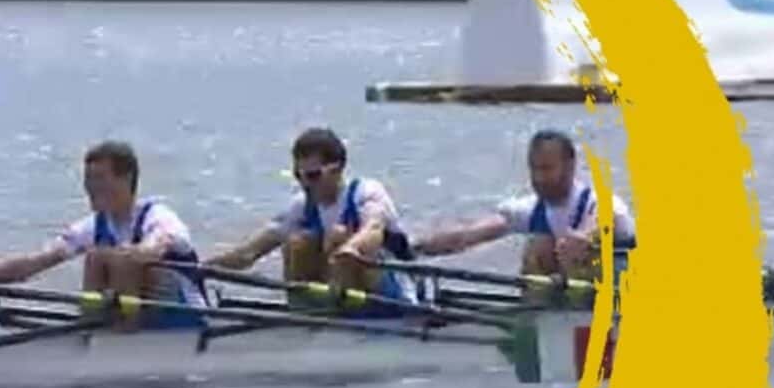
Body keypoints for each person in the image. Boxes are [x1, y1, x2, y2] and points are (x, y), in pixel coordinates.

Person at [0, 140, 208, 331]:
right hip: (139, 313)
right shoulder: (92, 227)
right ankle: (94, 332)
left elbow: (154, 247)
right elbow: (32, 264)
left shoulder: (159, 217)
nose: (91, 186)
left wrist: (121, 255)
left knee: (111, 259)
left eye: (100, 178)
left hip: (185, 319)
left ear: (126, 179)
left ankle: (120, 337)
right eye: (88, 179)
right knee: (100, 259)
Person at [205, 127, 419, 314]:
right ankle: (308, 311)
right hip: (342, 293)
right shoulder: (301, 206)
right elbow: (249, 253)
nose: (306, 183)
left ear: (337, 169)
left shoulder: (366, 192)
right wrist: (200, 267)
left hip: (391, 291)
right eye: (299, 176)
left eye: (314, 175)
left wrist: (350, 248)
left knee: (338, 236)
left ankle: (341, 312)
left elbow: (373, 228)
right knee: (297, 244)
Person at [414, 128, 637, 281]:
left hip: (622, 297)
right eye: (534, 169)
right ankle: (538, 319)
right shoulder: (528, 209)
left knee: (547, 246)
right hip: (573, 306)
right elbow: (466, 235)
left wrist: (585, 238)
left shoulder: (600, 202)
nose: (539, 178)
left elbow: (601, 221)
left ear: (570, 166)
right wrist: (411, 247)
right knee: (539, 246)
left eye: (547, 169)